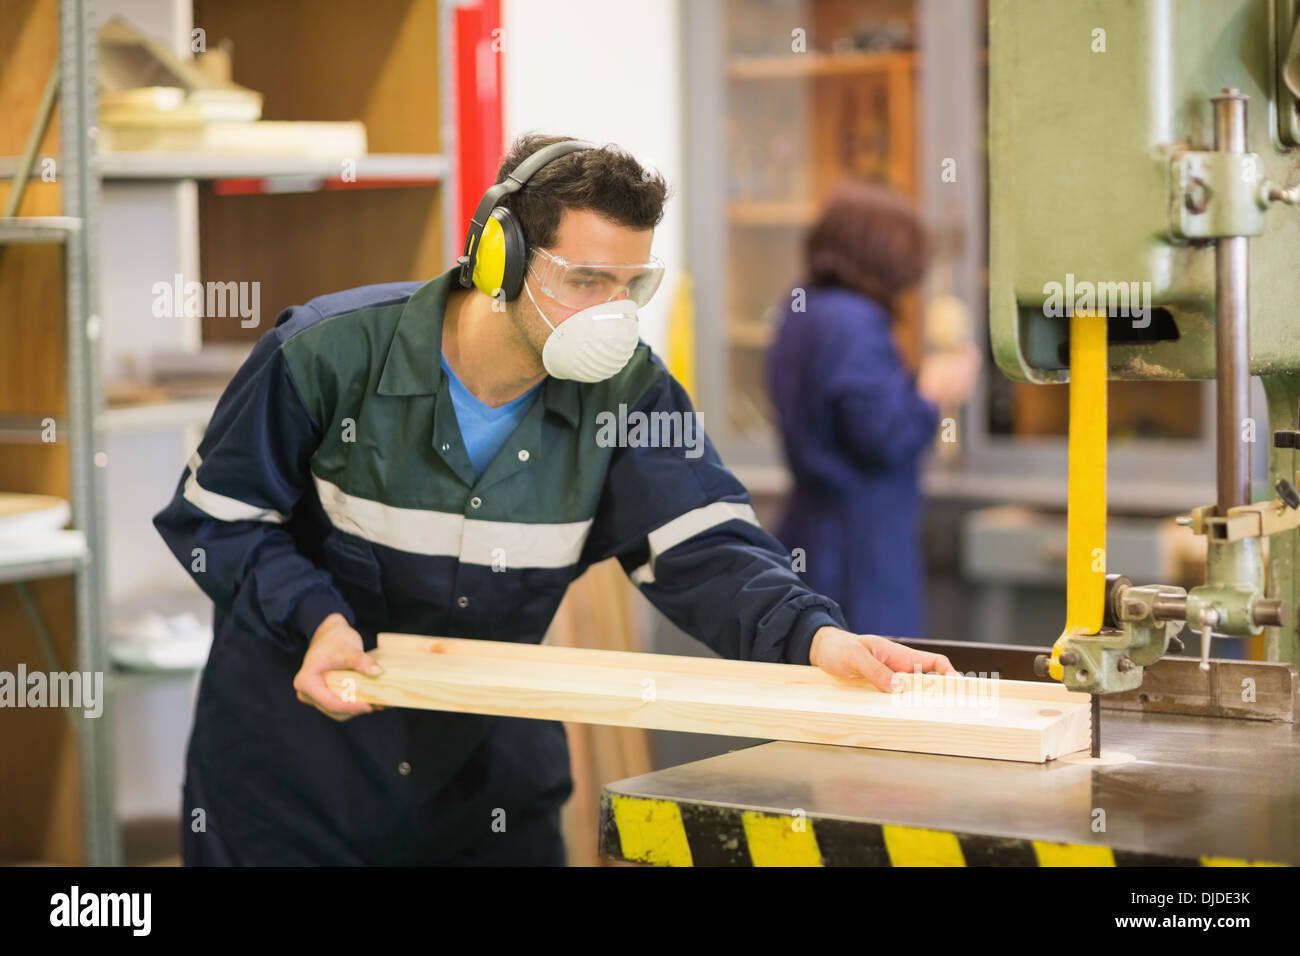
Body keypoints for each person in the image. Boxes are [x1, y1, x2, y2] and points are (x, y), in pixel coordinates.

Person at [154, 136, 957, 866]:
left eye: (630, 285)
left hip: (483, 793)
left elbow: (705, 549)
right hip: (295, 787)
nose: (611, 313)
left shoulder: (631, 394)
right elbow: (213, 521)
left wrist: (816, 637)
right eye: (584, 281)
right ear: (497, 258)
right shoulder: (327, 355)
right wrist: (317, 618)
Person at [768, 180, 980, 639]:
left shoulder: (802, 307)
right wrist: (931, 388)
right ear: (881, 252)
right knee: (871, 675)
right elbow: (881, 436)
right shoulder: (855, 321)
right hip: (860, 549)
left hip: (809, 528)